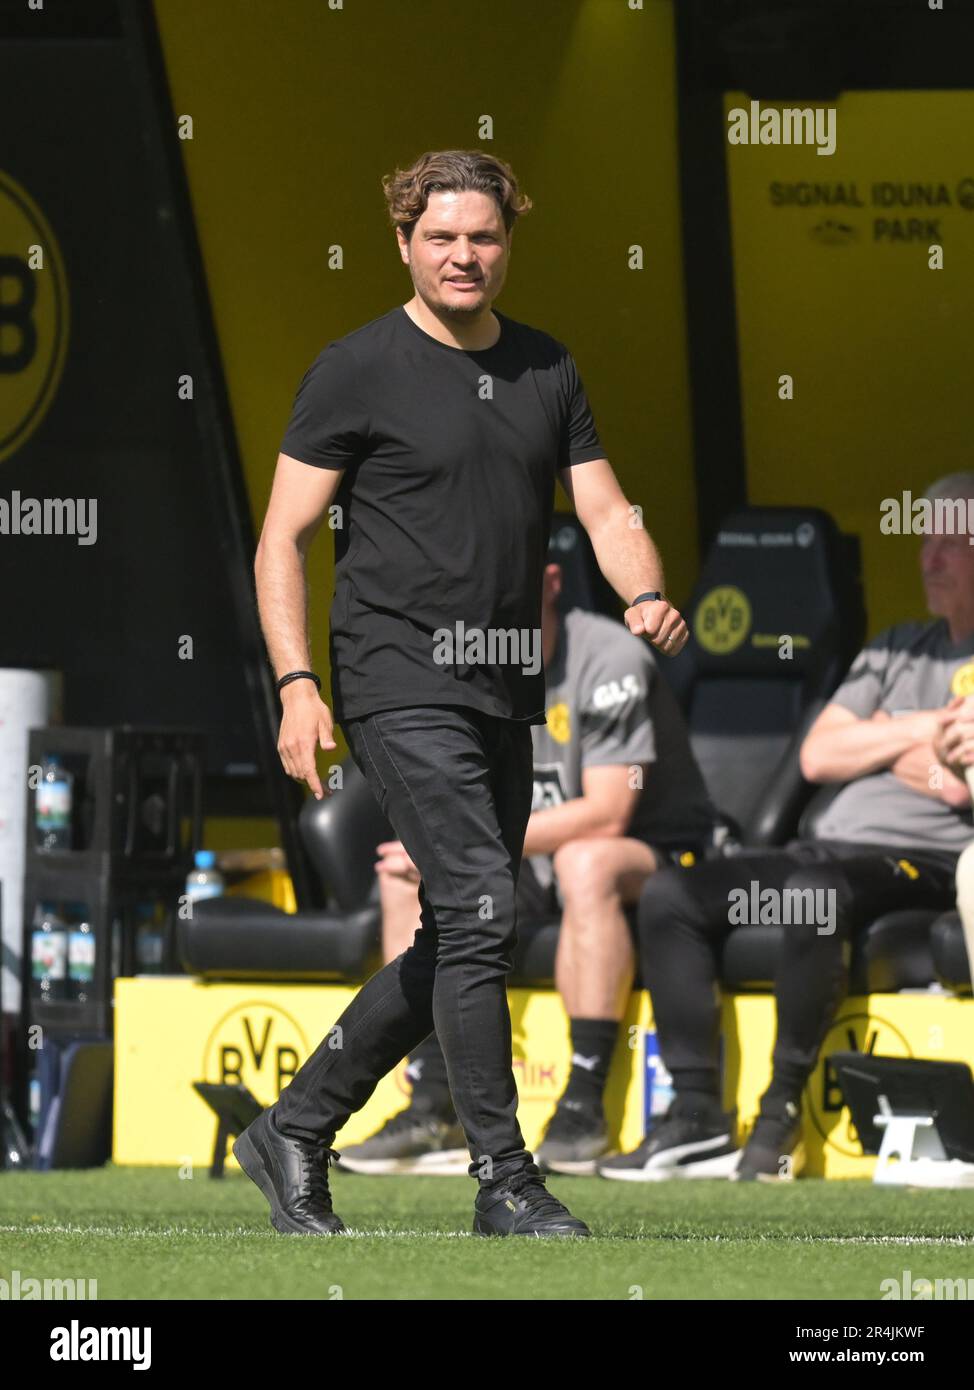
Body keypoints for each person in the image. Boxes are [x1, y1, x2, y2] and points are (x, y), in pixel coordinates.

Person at [234, 148, 689, 1237]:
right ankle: (504, 1179)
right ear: (402, 242)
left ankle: (294, 1126)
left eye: (482, 236)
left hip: (500, 690)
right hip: (395, 679)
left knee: (460, 927)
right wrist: (298, 683)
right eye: (439, 236)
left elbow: (606, 507)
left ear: (506, 245)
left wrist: (644, 593)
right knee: (483, 908)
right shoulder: (354, 368)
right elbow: (281, 539)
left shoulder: (547, 369)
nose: (462, 254)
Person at [600, 472, 974, 1184]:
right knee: (671, 895)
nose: (928, 558)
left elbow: (957, 784)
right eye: (925, 539)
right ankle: (697, 1114)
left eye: (950, 543)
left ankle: (778, 1113)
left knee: (813, 891)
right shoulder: (898, 647)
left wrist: (883, 738)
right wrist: (921, 732)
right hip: (823, 846)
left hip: (920, 860)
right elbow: (819, 751)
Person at [336, 559, 717, 1177]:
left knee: (583, 860)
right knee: (406, 872)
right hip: (531, 855)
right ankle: (433, 1098)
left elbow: (608, 813)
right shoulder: (465, 658)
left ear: (551, 580)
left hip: (659, 857)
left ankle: (584, 1099)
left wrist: (466, 846)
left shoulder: (609, 655)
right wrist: (441, 852)